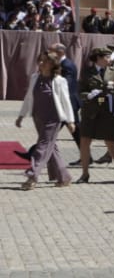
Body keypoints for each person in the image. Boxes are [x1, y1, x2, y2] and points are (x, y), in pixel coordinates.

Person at [13, 48, 75, 188]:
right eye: (39, 60)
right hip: (38, 116)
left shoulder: (59, 81)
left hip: (53, 118)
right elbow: (28, 97)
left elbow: (66, 101)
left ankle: (32, 175)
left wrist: (70, 121)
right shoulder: (35, 77)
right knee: (51, 146)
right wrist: (21, 116)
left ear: (52, 63)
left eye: (45, 60)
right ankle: (64, 177)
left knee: (42, 146)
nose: (41, 63)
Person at [74, 46, 114, 183]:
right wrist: (89, 95)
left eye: (110, 57)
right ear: (98, 58)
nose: (109, 59)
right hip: (90, 112)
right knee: (85, 141)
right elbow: (80, 91)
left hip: (107, 113)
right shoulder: (87, 72)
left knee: (110, 142)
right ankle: (85, 174)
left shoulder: (113, 72)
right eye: (106, 57)